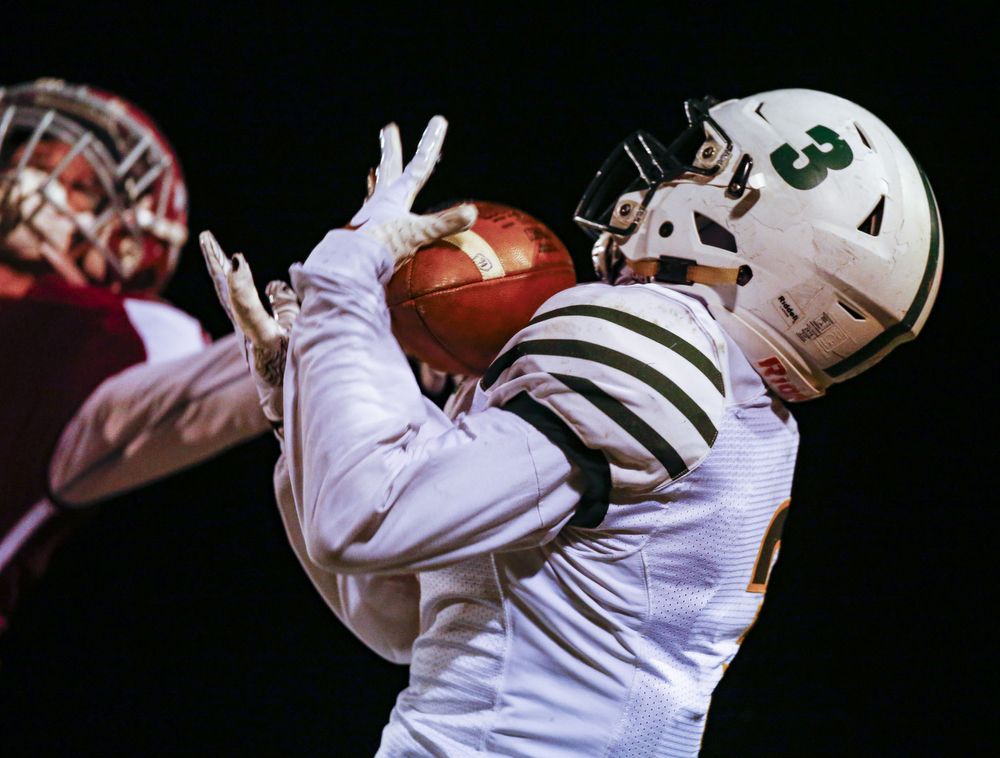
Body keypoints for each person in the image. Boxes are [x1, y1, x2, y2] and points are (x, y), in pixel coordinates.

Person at [208, 89, 941, 756]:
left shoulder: (661, 343)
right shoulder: (747, 415)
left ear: (765, 229)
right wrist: (298, 403)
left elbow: (362, 516)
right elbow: (403, 616)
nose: (667, 183)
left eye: (707, 166)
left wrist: (348, 274)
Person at [0, 79, 269, 643]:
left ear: (126, 239)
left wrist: (361, 320)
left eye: (75, 184)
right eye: (23, 161)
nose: (26, 181)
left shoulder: (124, 331)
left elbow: (249, 377)